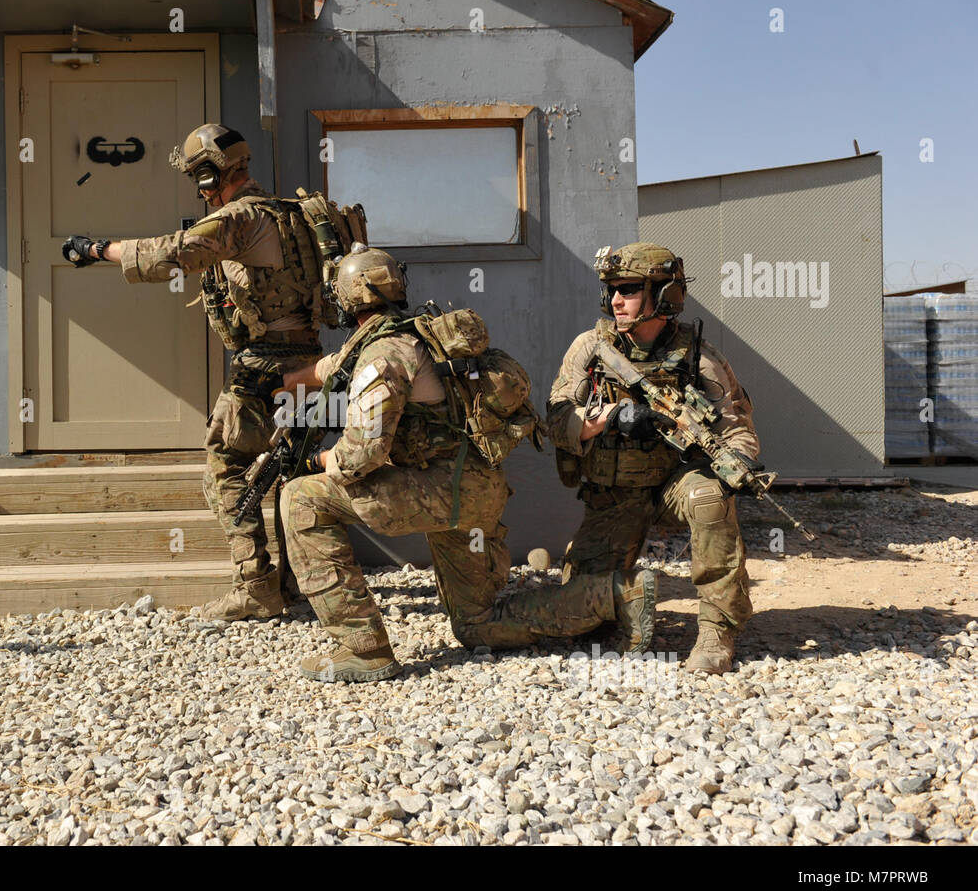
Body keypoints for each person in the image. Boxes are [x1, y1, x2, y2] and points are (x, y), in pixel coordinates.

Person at [279, 245, 658, 683]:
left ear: (346, 299)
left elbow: (363, 453)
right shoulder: (419, 333)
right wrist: (293, 378)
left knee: (302, 499)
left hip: (440, 491)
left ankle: (363, 650)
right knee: (479, 621)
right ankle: (618, 595)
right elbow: (338, 366)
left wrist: (316, 459)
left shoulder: (382, 354)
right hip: (475, 490)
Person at [62, 124, 331, 622]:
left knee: (224, 467)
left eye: (199, 178)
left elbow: (172, 253)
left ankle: (256, 587)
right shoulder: (292, 215)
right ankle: (300, 581)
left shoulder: (240, 217)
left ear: (210, 175)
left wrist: (97, 250)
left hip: (264, 366)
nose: (199, 189)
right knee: (290, 472)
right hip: (310, 360)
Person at [545, 242, 761, 674]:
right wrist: (607, 419)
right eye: (611, 291)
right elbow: (557, 417)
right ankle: (629, 600)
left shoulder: (699, 356)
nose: (615, 301)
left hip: (672, 486)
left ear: (664, 296)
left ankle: (718, 628)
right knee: (581, 620)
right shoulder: (591, 348)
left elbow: (736, 425)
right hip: (615, 495)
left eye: (627, 290)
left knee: (710, 497)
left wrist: (738, 460)